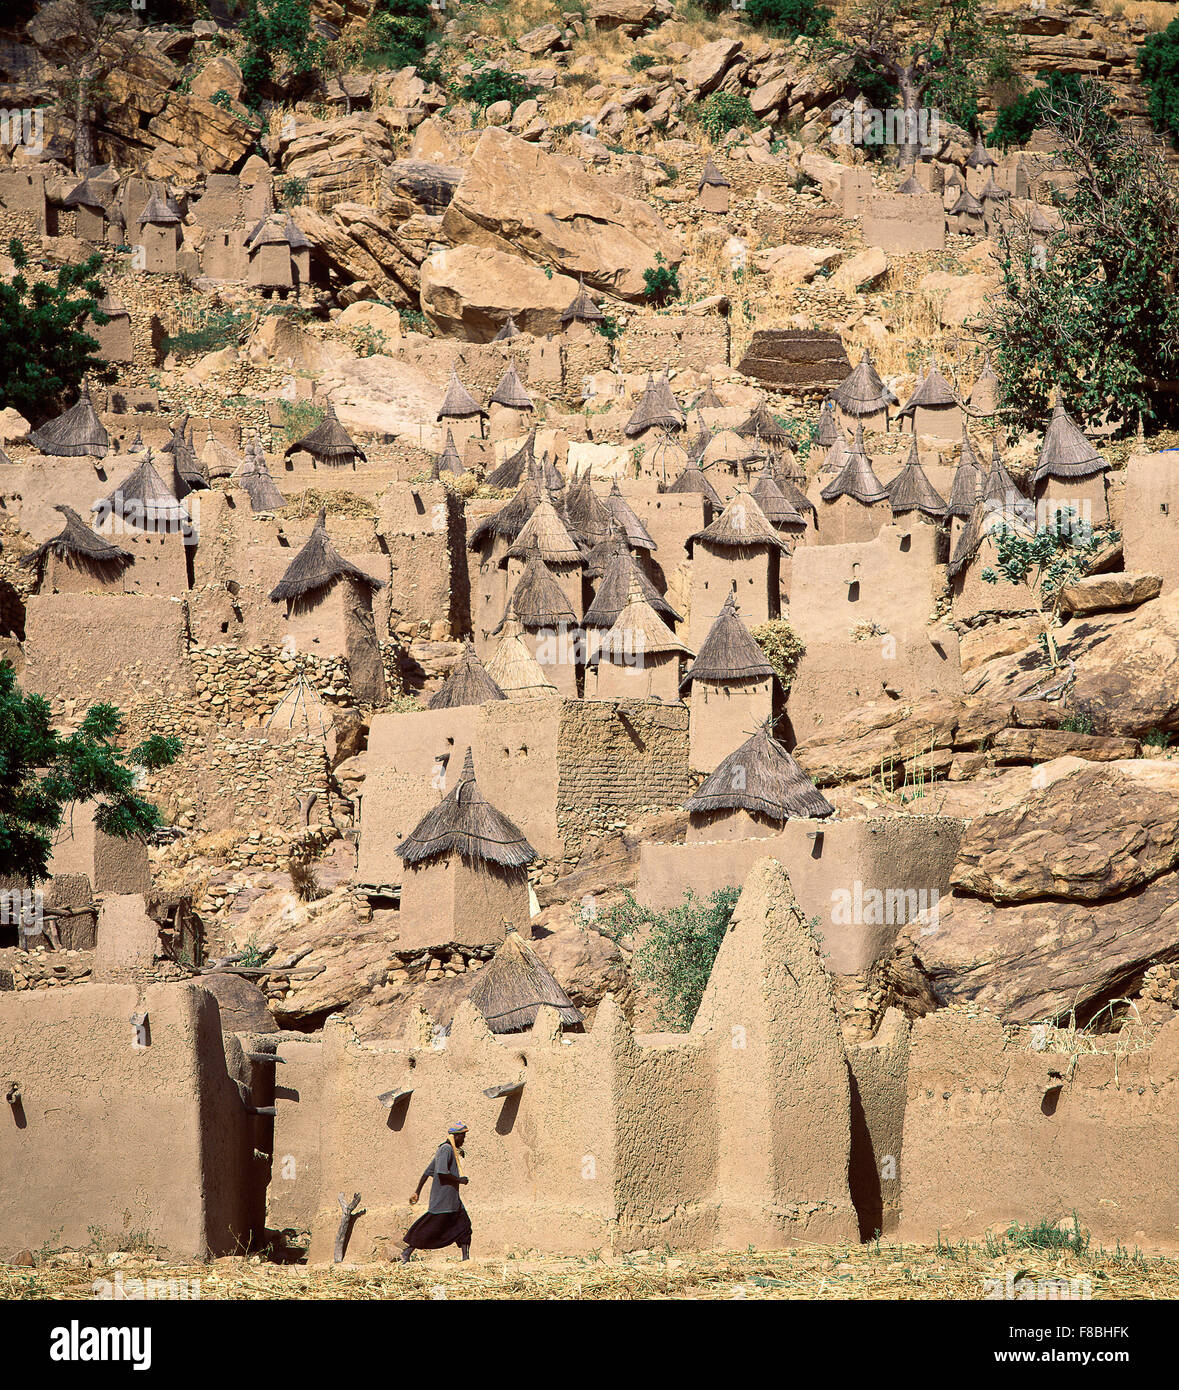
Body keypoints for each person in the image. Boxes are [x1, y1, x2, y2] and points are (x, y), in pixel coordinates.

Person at [400, 1122, 472, 1263]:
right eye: (463, 1137)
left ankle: (466, 1259)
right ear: (456, 1136)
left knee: (464, 1226)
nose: (464, 1140)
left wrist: (417, 1192)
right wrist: (460, 1180)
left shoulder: (446, 1150)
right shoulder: (446, 1149)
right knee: (430, 1227)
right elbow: (441, 1172)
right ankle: (407, 1251)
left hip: (453, 1200)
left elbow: (427, 1172)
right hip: (443, 1199)